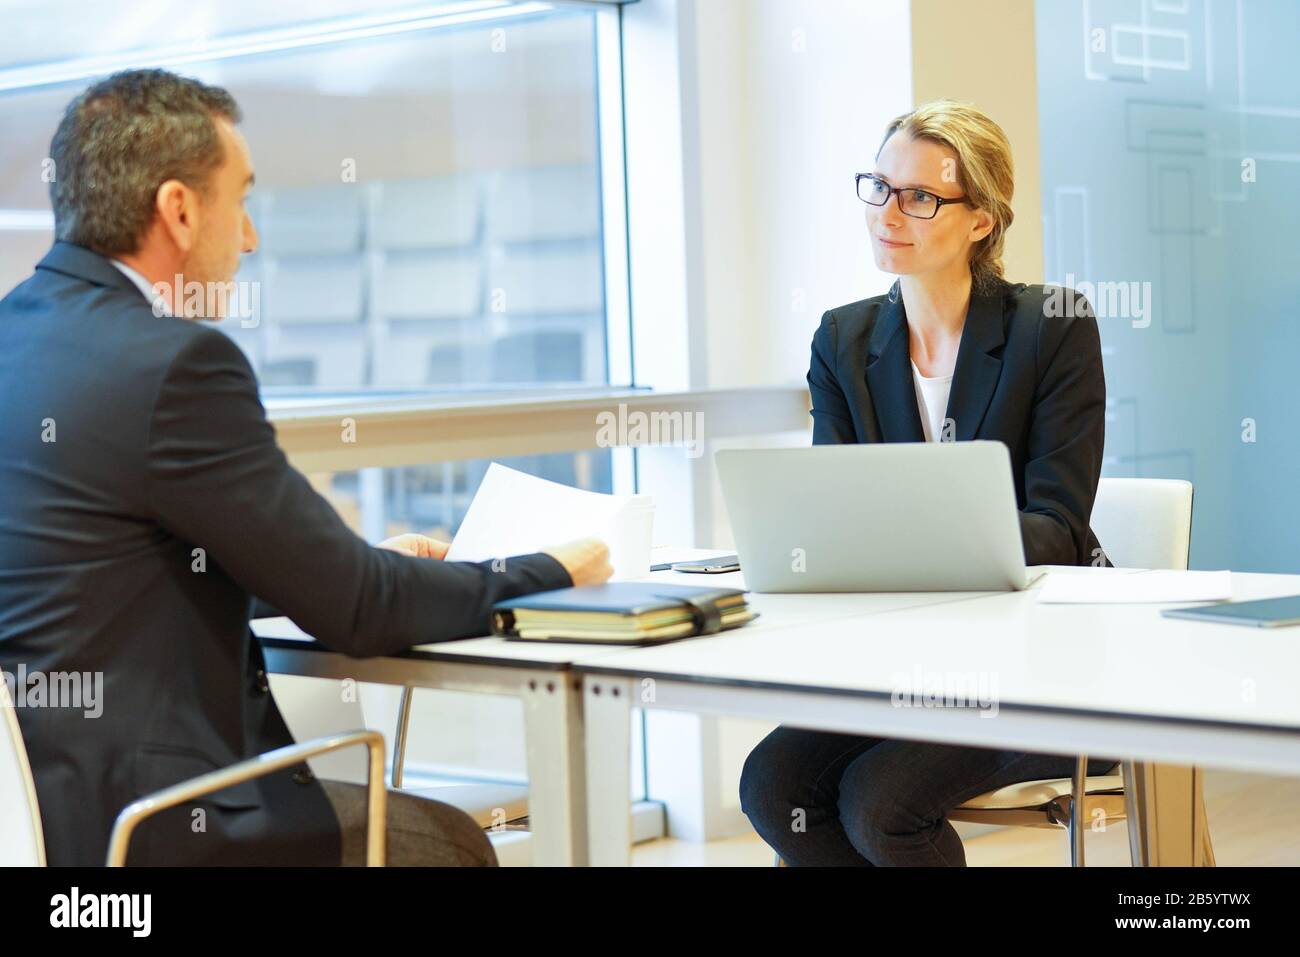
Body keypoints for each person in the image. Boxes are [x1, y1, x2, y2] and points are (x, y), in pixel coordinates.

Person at [0, 68, 612, 867]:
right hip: (163, 830)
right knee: (455, 845)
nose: (249, 237)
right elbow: (361, 611)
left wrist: (348, 565)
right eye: (241, 199)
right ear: (180, 210)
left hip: (42, 822)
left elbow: (109, 572)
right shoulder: (176, 364)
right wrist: (545, 569)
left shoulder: (18, 337)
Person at [739, 100, 1118, 866]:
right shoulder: (842, 338)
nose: (889, 213)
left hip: (1041, 664)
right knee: (773, 784)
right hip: (903, 663)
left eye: (920, 197)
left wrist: (903, 545)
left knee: (881, 803)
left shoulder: (1054, 326)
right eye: (879, 187)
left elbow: (1057, 525)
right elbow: (832, 514)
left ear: (981, 221)